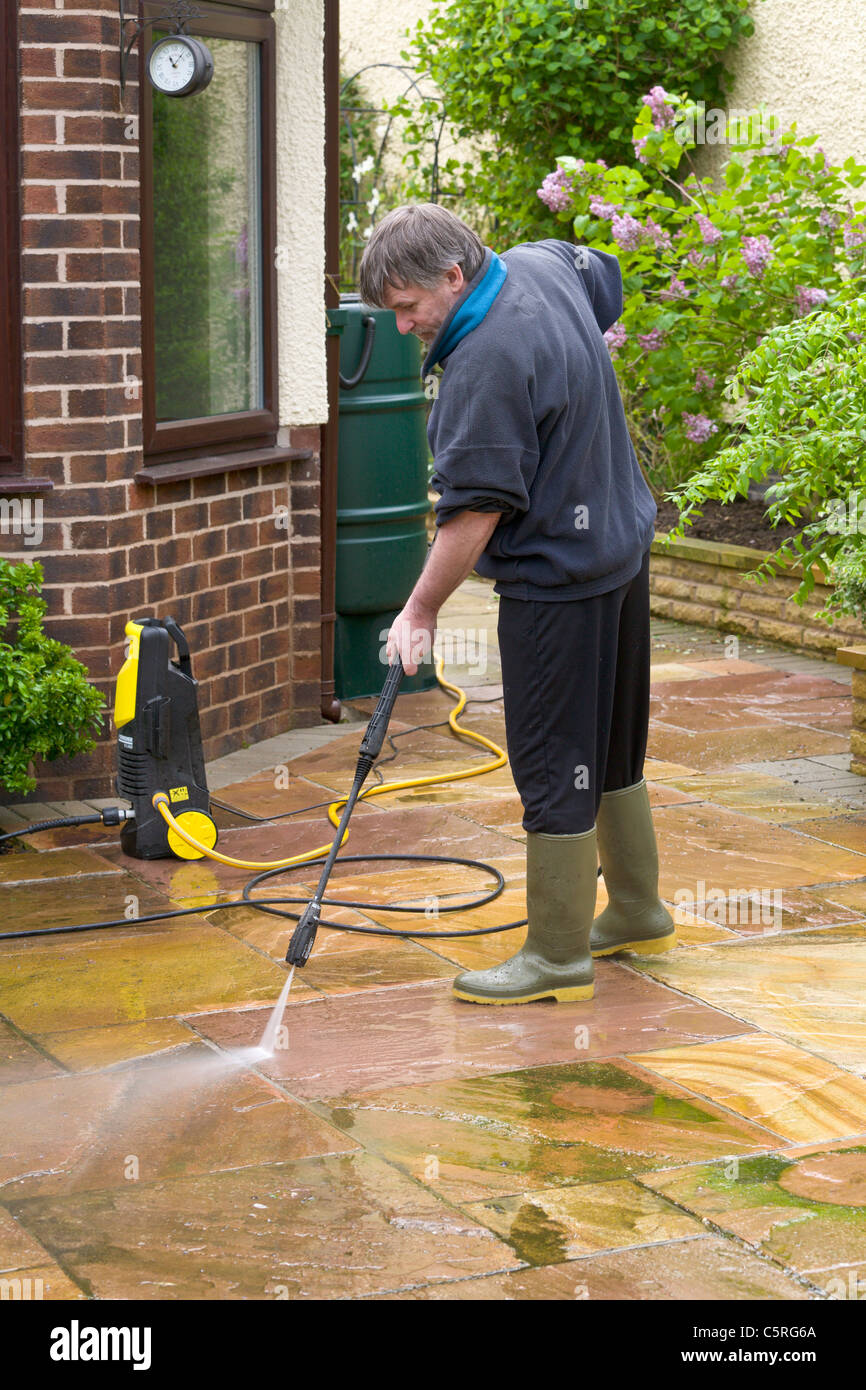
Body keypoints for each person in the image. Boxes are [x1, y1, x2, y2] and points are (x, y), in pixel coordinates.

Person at [357, 203, 675, 1005]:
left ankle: (557, 955)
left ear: (454, 276)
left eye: (407, 308)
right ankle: (637, 907)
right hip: (620, 549)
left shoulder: (484, 361)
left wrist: (420, 609)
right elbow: (605, 277)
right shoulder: (540, 262)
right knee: (610, 748)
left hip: (557, 582)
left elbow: (473, 513)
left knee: (551, 757)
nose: (403, 327)